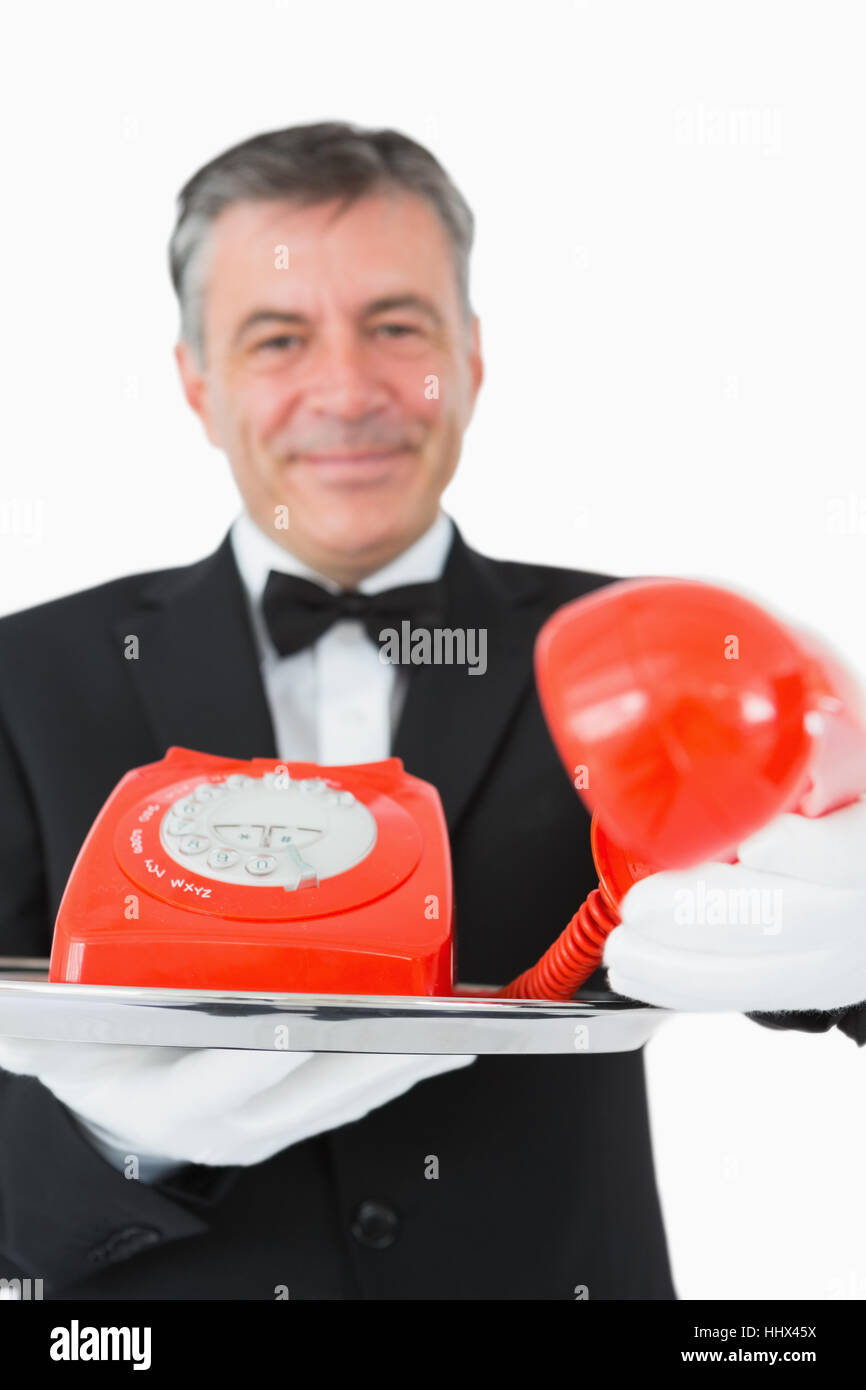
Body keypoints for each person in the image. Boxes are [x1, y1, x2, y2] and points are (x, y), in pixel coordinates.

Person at [0, 122, 864, 1302]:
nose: (348, 392)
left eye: (397, 328)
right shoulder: (25, 677)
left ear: (468, 357)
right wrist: (120, 1139)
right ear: (197, 382)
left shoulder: (656, 653)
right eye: (277, 337)